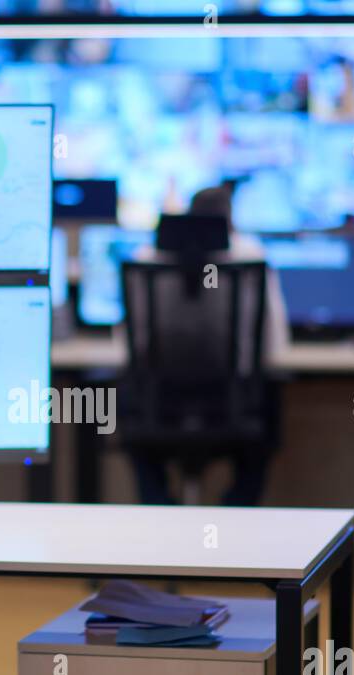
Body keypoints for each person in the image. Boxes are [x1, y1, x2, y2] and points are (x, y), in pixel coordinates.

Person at [126, 184, 289, 506]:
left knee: (127, 412)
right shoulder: (250, 255)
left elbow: (130, 346)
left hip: (161, 408)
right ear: (231, 220)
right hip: (234, 407)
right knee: (267, 417)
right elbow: (274, 347)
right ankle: (233, 517)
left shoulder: (147, 257)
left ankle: (160, 514)